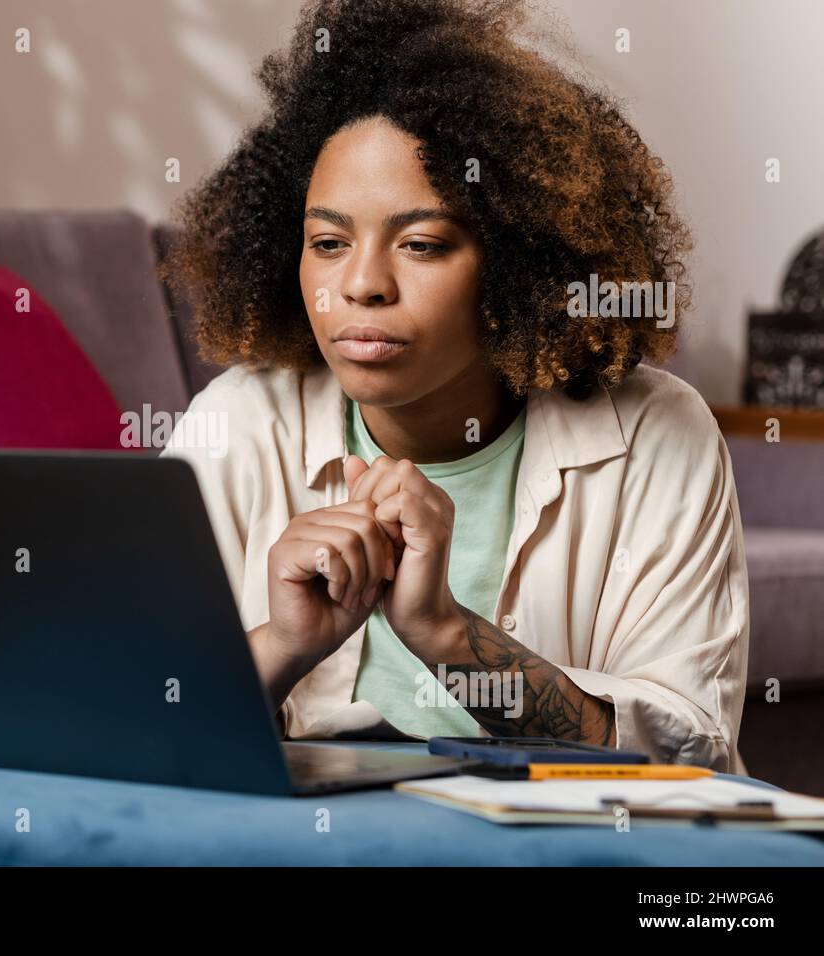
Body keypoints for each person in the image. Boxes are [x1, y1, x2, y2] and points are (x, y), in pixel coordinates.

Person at [157, 0, 749, 772]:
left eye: (423, 244)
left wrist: (447, 636)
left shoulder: (656, 434)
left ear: (518, 264)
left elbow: (690, 755)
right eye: (328, 243)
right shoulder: (234, 423)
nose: (362, 284)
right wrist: (284, 643)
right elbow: (136, 722)